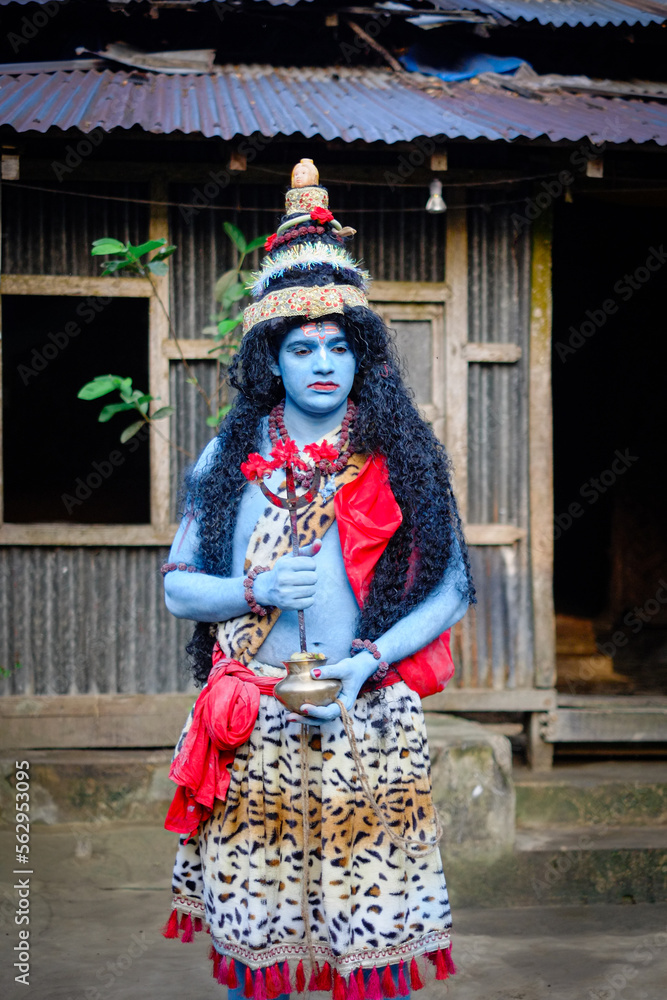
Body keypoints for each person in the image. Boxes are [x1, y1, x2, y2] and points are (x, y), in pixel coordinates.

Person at [161, 163, 475, 1000]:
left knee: (374, 944)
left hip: (364, 721)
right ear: (272, 359)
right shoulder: (228, 462)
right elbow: (178, 591)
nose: (322, 362)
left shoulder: (401, 457)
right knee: (251, 952)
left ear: (361, 355)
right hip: (254, 721)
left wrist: (367, 662)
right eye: (302, 347)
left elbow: (452, 590)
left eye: (339, 345)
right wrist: (255, 589)